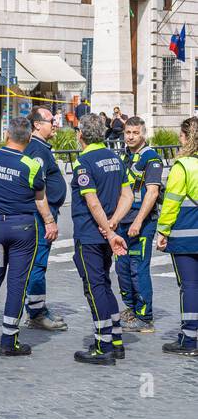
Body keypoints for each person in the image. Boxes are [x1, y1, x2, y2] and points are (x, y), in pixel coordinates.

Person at [0, 116, 58, 355]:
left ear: (7, 134)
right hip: (21, 231)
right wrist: (49, 222)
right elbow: (40, 199)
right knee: (17, 283)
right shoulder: (30, 165)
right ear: (28, 138)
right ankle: (9, 340)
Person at [69, 113, 132, 366]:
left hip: (90, 234)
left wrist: (107, 229)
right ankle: (116, 340)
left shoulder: (83, 162)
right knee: (104, 284)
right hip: (109, 233)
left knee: (94, 288)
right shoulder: (115, 159)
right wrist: (114, 222)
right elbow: (127, 195)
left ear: (81, 135)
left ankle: (102, 344)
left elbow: (92, 201)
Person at [154, 116, 198, 357]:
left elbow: (171, 203)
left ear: (186, 138)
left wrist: (163, 231)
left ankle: (189, 338)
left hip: (187, 235)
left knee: (190, 285)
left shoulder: (183, 166)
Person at [115, 117, 164, 333]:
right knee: (122, 268)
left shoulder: (151, 158)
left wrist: (138, 220)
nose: (131, 136)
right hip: (122, 222)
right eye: (128, 132)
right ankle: (132, 309)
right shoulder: (124, 156)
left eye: (135, 132)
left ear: (143, 133)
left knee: (138, 268)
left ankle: (145, 317)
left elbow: (152, 192)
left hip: (141, 223)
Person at [24, 106, 69, 332]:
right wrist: (48, 219)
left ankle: (36, 309)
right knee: (37, 264)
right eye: (52, 120)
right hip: (40, 216)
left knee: (37, 264)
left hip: (44, 213)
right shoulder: (38, 150)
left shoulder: (40, 147)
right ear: (37, 125)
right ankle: (36, 313)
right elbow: (36, 190)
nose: (56, 124)